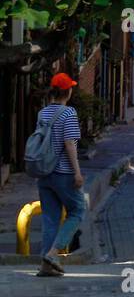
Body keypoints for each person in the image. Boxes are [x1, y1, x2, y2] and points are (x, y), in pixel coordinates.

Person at [35, 73, 87, 277]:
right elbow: (70, 144)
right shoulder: (69, 113)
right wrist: (77, 172)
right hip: (64, 173)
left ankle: (45, 264)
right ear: (68, 92)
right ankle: (53, 253)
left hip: (44, 173)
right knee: (77, 210)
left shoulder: (43, 113)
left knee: (50, 218)